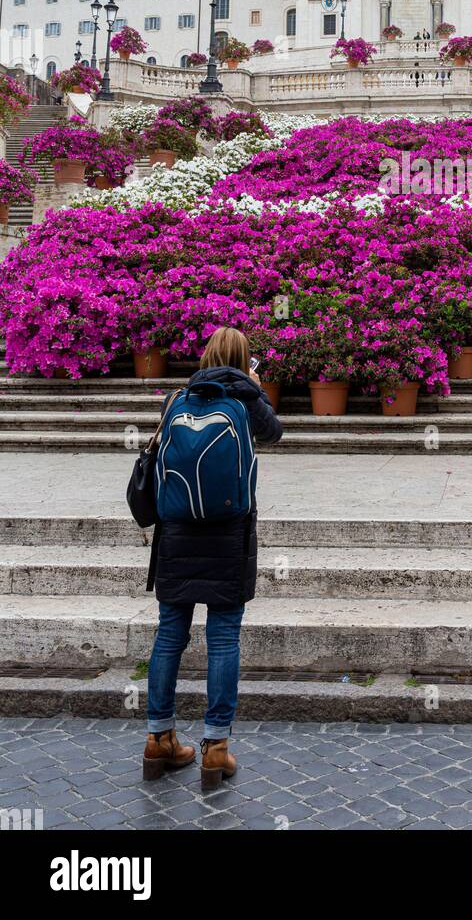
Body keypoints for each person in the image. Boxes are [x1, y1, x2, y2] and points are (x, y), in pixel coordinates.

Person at [142, 327, 283, 787]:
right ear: (243, 358)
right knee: (223, 639)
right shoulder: (246, 398)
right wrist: (254, 383)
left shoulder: (177, 399)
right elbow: (275, 434)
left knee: (169, 637)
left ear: (205, 355)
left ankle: (158, 739)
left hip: (177, 535)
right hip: (227, 536)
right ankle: (216, 748)